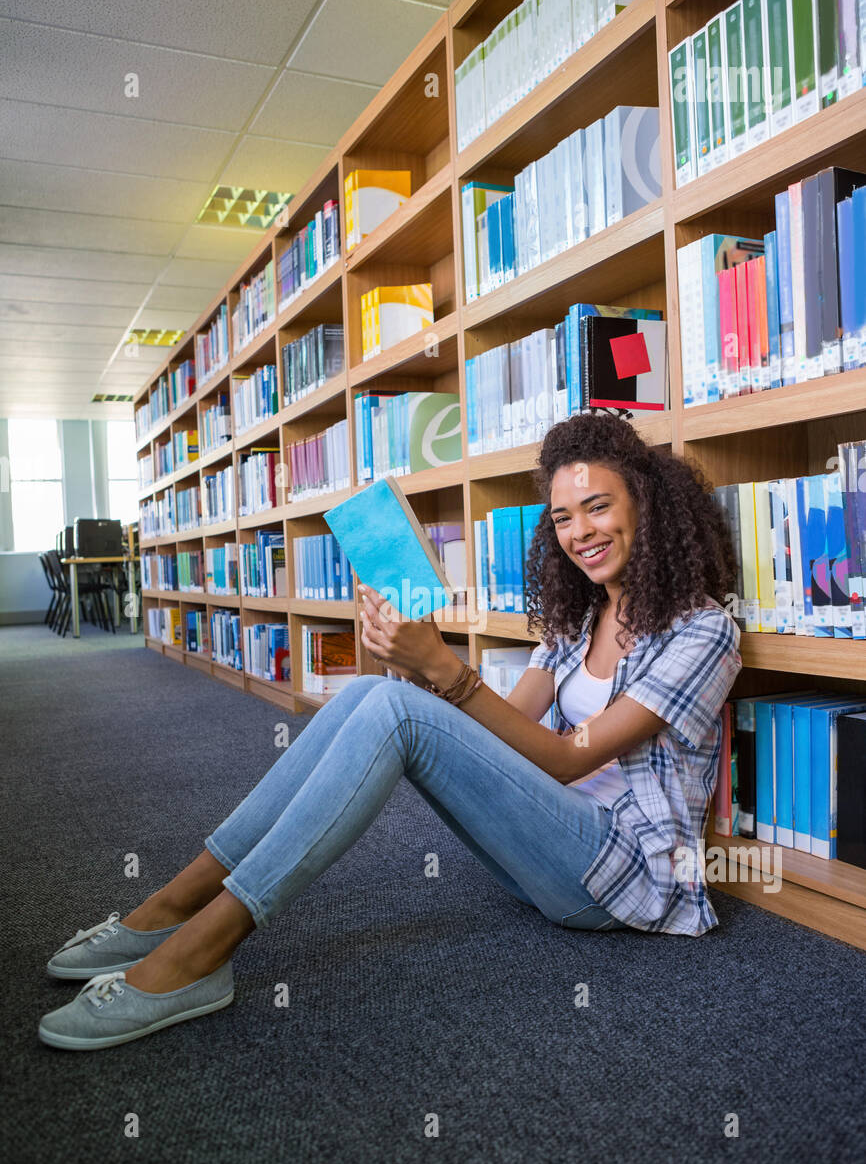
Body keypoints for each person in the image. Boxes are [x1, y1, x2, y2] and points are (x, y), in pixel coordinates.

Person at [39, 409, 742, 1051]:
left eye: (596, 507)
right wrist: (417, 664)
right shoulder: (577, 621)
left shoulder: (704, 631)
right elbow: (510, 732)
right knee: (378, 693)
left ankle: (201, 950)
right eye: (562, 518)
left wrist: (445, 673)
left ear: (643, 507)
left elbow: (562, 760)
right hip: (550, 846)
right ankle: (173, 904)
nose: (580, 533)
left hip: (626, 879)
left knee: (396, 707)